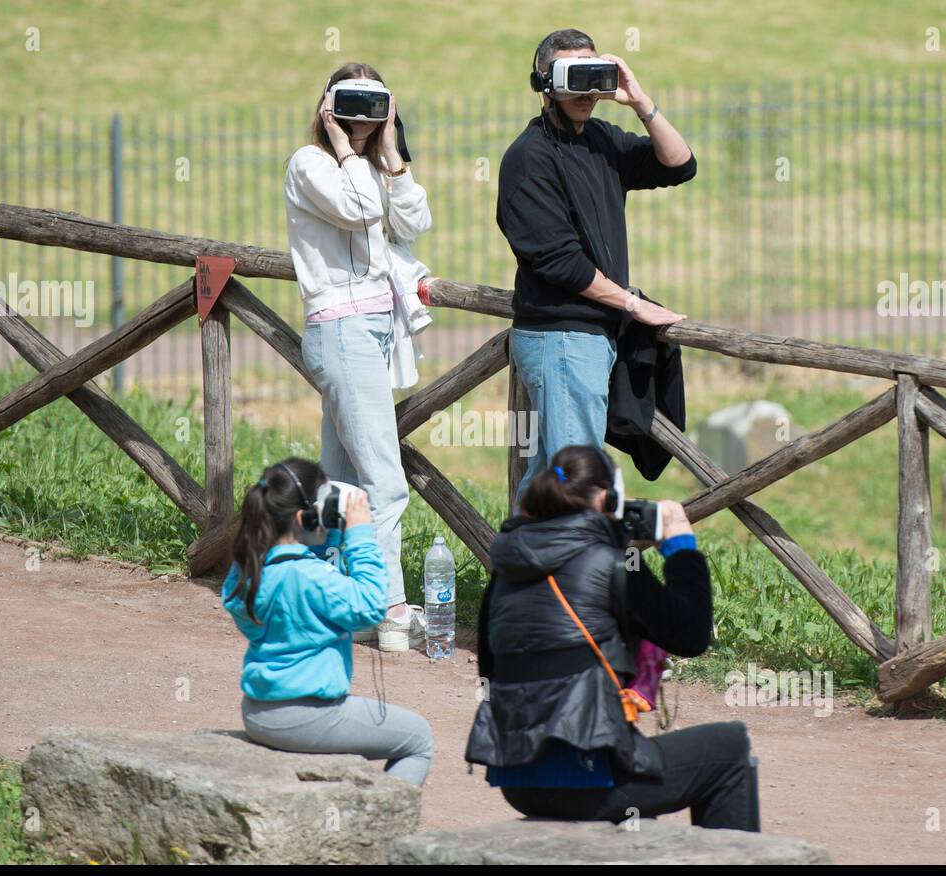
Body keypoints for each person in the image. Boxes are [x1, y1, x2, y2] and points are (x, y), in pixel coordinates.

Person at [465, 445, 759, 829]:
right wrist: (681, 550)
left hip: (517, 778)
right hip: (593, 780)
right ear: (610, 498)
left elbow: (494, 671)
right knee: (731, 748)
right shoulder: (615, 566)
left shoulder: (504, 574)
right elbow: (692, 636)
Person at [498, 29, 697, 508]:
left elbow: (679, 165)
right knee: (573, 484)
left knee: (554, 478)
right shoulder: (528, 158)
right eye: (573, 77)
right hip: (561, 339)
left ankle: (520, 578)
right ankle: (553, 580)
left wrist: (640, 101)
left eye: (594, 75)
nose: (587, 91)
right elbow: (559, 261)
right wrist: (632, 304)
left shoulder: (601, 139)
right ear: (544, 82)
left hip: (587, 338)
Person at [285, 62, 432, 650]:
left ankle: (316, 597)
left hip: (368, 332)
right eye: (350, 103)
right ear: (327, 106)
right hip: (341, 331)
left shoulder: (372, 168)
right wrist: (345, 146)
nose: (363, 116)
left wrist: (392, 152)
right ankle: (389, 611)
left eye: (375, 104)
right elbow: (356, 210)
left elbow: (413, 222)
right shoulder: (311, 163)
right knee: (385, 483)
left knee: (342, 480)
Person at [222, 458, 433, 787]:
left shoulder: (252, 571)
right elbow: (372, 607)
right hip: (308, 717)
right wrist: (361, 534)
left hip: (257, 711)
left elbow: (258, 593)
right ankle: (376, 825)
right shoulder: (310, 577)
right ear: (303, 517)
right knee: (419, 738)